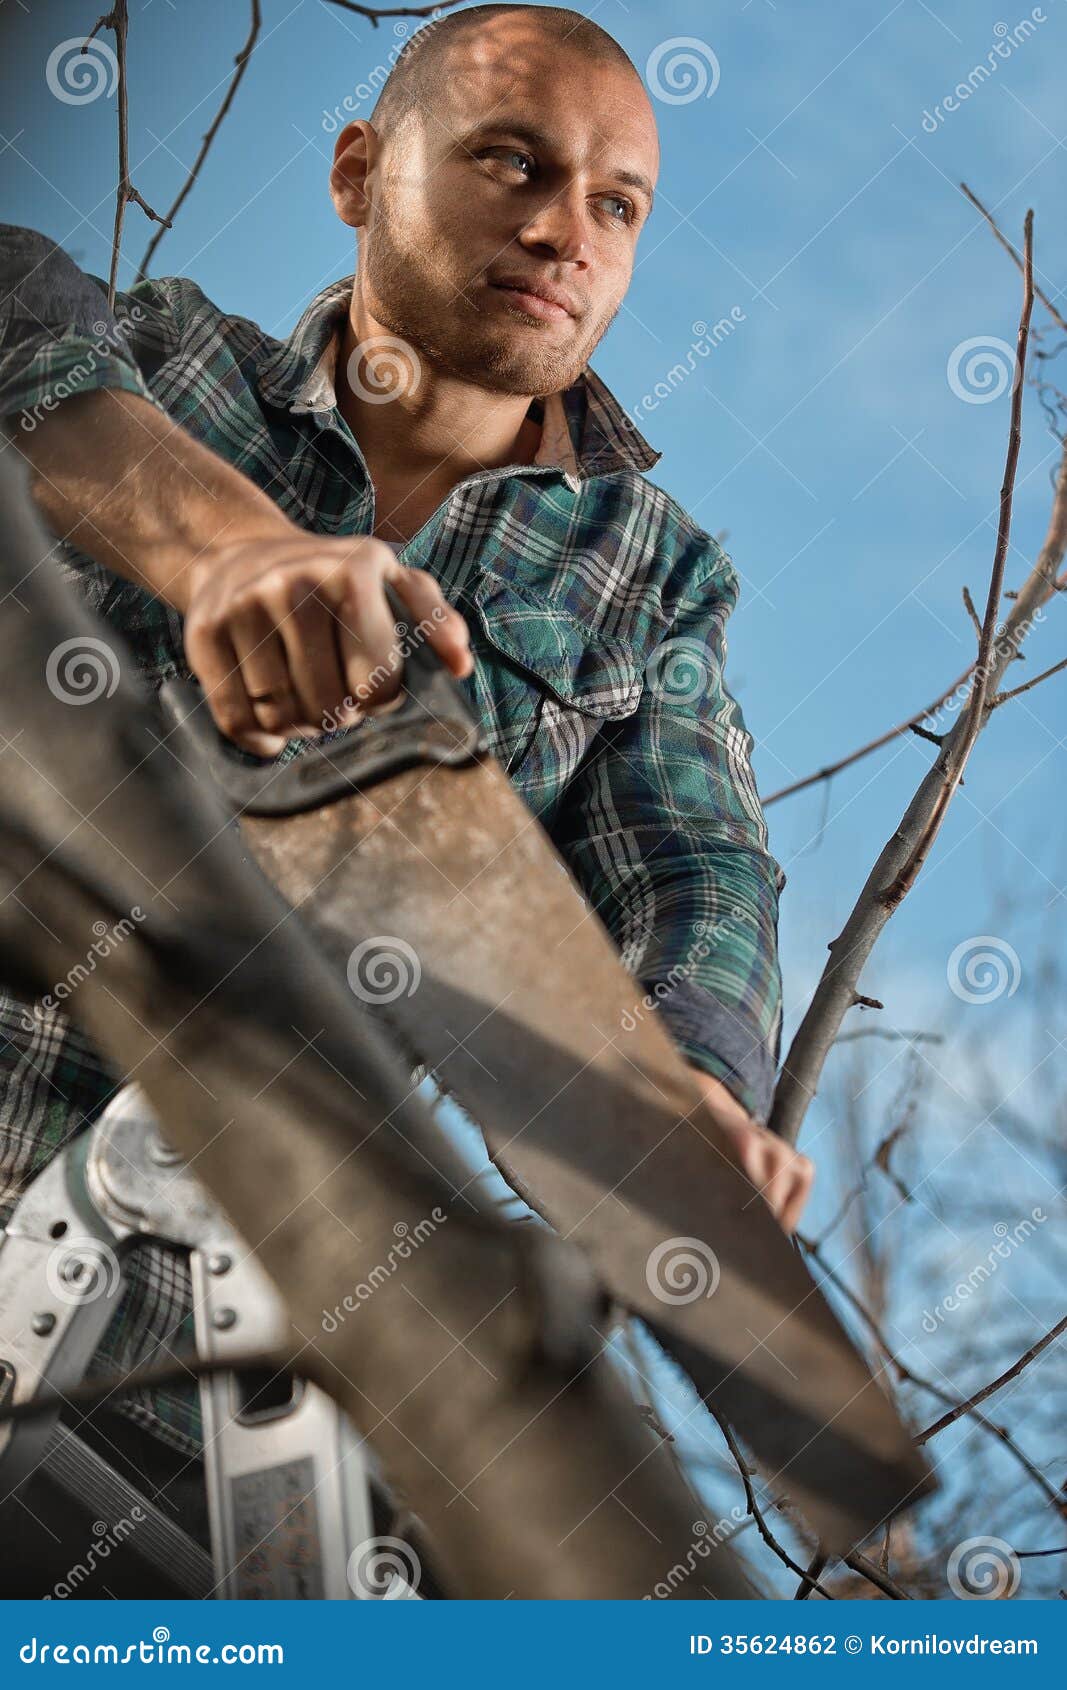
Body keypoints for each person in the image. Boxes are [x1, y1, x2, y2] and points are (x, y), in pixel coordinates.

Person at [0, 3, 812, 1541]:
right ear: (360, 171)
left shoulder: (647, 577)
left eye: (616, 203)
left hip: (245, 1409)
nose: (566, 229)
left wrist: (682, 1086)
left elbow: (697, 861)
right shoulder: (173, 359)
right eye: (513, 161)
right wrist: (226, 546)